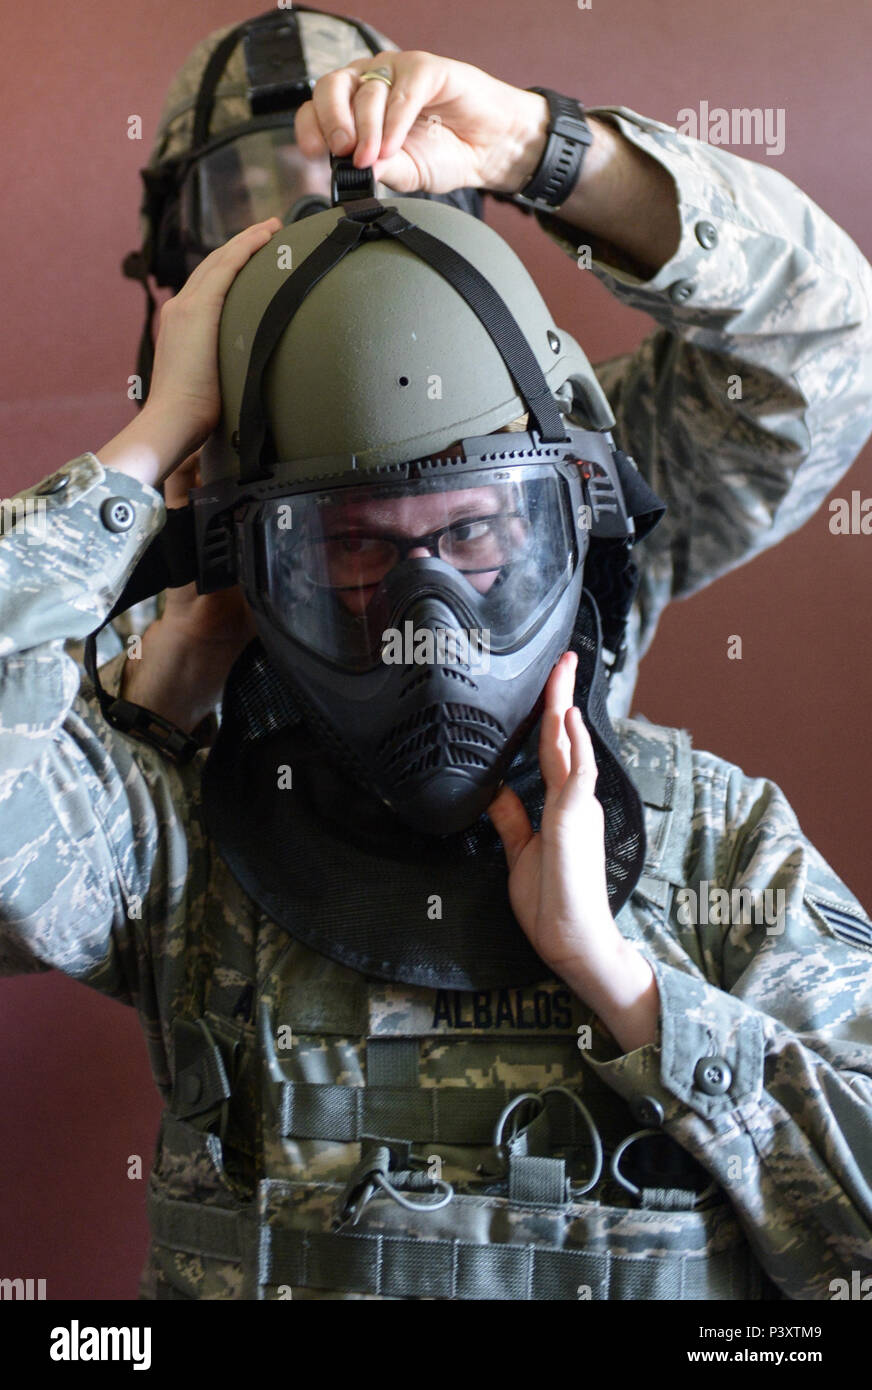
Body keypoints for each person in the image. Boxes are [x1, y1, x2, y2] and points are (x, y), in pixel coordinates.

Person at [2, 179, 871, 1300]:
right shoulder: (188, 849)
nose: (429, 624)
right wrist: (153, 446)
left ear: (569, 524)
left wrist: (628, 989)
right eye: (356, 549)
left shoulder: (712, 843)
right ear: (266, 571)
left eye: (471, 531)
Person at [82, 10, 872, 741]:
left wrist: (542, 151)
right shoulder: (108, 565)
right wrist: (168, 692)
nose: (312, 243)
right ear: (176, 261)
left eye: (363, 184)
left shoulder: (573, 463)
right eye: (247, 203)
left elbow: (831, 343)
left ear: (448, 214)